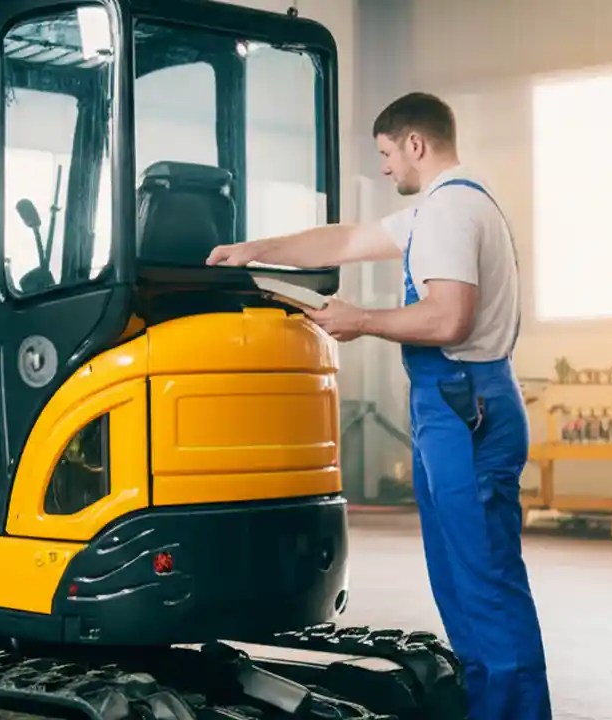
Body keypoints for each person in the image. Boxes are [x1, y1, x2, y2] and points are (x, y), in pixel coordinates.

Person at [207, 91, 552, 720]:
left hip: (464, 405)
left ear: (415, 144)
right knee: (459, 581)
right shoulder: (444, 207)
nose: (387, 168)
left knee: (485, 582)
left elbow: (449, 318)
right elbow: (345, 239)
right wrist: (254, 250)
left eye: (388, 154)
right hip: (454, 404)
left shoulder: (448, 212)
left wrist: (359, 319)